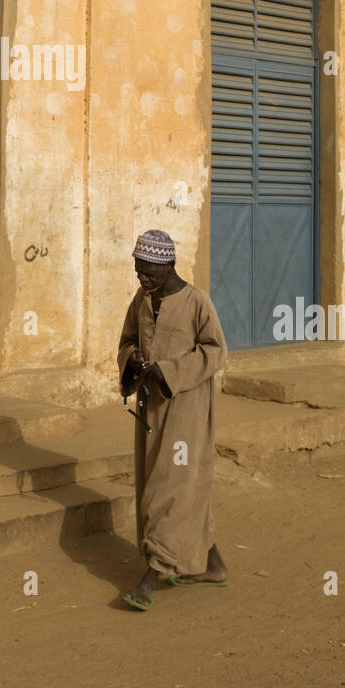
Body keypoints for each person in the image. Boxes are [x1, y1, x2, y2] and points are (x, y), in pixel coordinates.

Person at [118, 229, 229, 610]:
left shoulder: (197, 302)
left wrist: (169, 371)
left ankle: (152, 575)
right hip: (151, 408)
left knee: (172, 486)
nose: (142, 279)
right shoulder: (143, 299)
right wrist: (131, 360)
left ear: (168, 266)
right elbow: (128, 339)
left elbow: (215, 351)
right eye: (138, 271)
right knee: (170, 484)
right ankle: (212, 564)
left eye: (148, 272)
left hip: (186, 408)